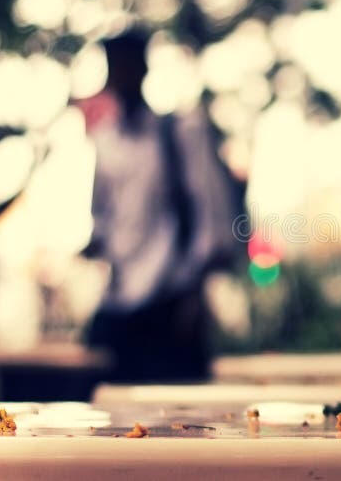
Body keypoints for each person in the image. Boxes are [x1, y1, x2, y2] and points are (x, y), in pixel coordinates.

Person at [80, 31, 239, 382]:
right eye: (113, 68)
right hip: (123, 300)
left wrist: (193, 289)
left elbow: (211, 218)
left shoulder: (179, 133)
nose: (119, 77)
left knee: (178, 416)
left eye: (126, 67)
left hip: (170, 299)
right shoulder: (105, 142)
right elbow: (102, 218)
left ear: (143, 70)